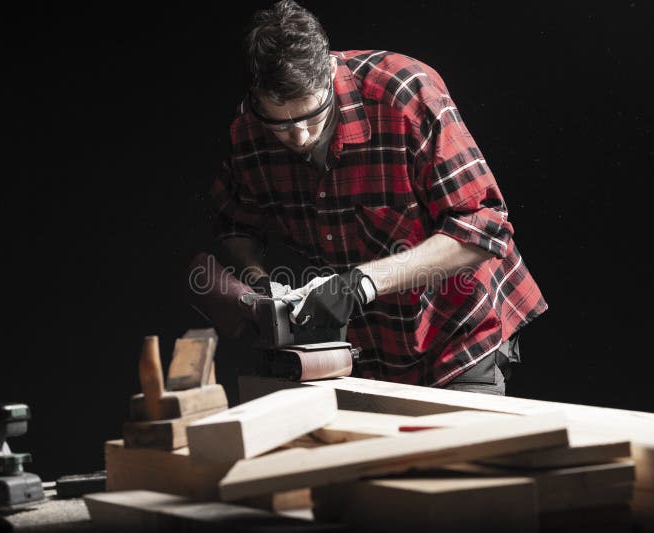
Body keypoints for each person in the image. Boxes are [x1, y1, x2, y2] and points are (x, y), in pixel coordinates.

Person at [200, 0, 547, 394]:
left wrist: (361, 282)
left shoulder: (405, 94)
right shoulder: (247, 129)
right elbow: (234, 225)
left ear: (329, 71)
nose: (298, 137)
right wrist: (259, 285)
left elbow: (484, 230)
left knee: (454, 454)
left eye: (311, 116)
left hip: (458, 336)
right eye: (279, 123)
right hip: (365, 357)